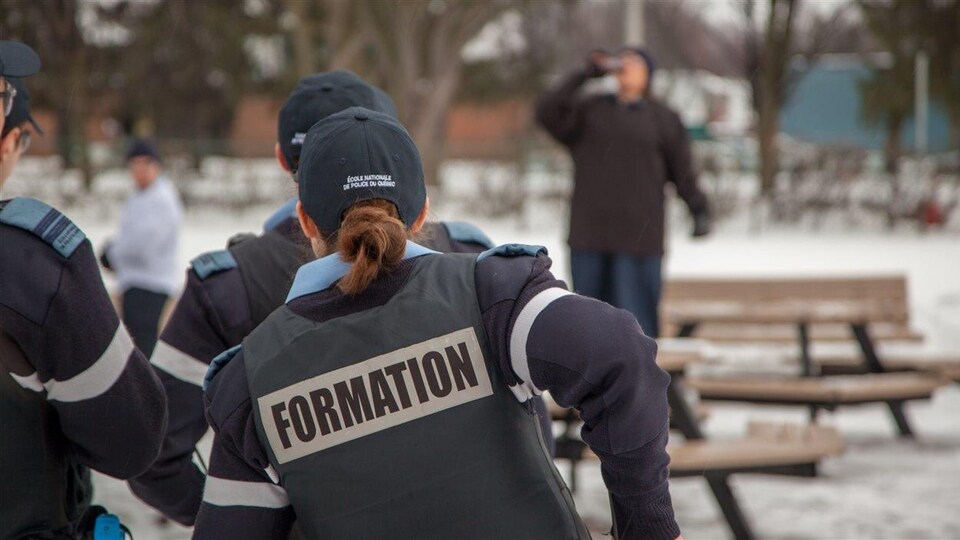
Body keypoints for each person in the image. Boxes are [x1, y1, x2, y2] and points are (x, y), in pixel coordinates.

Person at [192, 107, 680, 540]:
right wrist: (648, 526)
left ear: (303, 220)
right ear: (423, 212)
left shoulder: (250, 383)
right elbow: (621, 354)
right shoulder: (494, 297)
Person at [129, 70, 507, 526]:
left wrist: (267, 525)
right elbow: (526, 436)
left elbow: (153, 454)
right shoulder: (473, 262)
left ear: (281, 159)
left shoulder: (227, 285)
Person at [0, 42, 168, 538]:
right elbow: (133, 437)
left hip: (148, 282)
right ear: (8, 140)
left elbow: (147, 240)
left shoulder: (158, 200)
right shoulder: (33, 265)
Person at [535, 47, 711, 338]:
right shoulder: (590, 110)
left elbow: (683, 171)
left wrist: (699, 208)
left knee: (636, 328)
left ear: (648, 74)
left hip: (639, 240)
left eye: (635, 61)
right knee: (588, 326)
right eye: (622, 59)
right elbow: (546, 112)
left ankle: (641, 370)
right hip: (590, 236)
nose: (626, 65)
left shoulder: (663, 118)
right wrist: (584, 74)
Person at [102, 140, 183, 357]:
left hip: (150, 284)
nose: (139, 170)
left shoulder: (161, 199)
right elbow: (130, 236)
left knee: (141, 351)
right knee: (133, 348)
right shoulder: (140, 196)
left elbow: (144, 244)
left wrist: (113, 254)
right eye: (134, 165)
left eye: (145, 164)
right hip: (135, 281)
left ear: (156, 166)